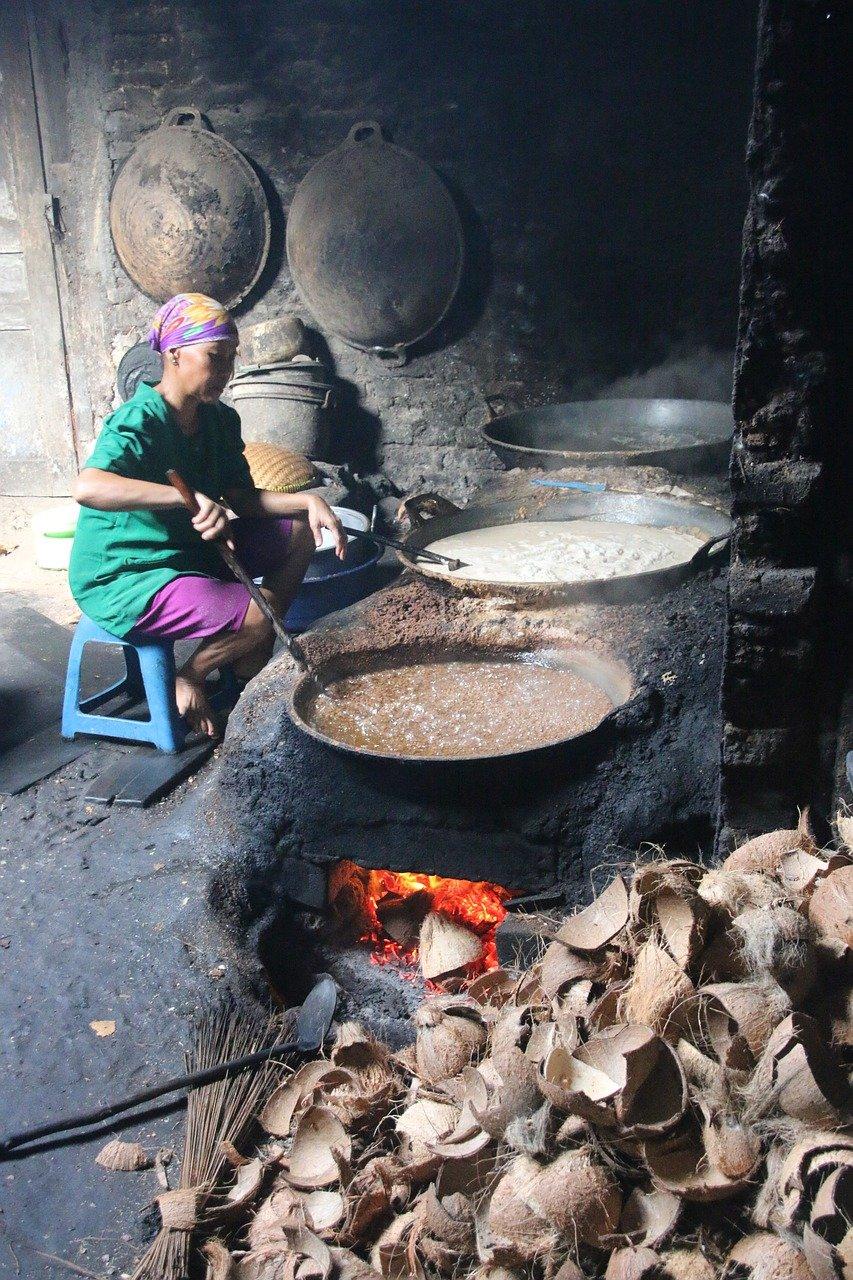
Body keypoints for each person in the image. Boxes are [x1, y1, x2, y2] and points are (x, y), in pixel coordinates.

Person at [69, 293, 345, 737]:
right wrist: (186, 498)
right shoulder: (137, 420)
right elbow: (88, 487)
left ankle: (244, 645)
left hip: (187, 551)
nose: (226, 371)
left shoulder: (219, 420)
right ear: (174, 353)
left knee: (297, 534)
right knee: (259, 616)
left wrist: (307, 502)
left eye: (231, 359)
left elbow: (240, 497)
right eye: (215, 357)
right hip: (127, 574)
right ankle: (196, 671)